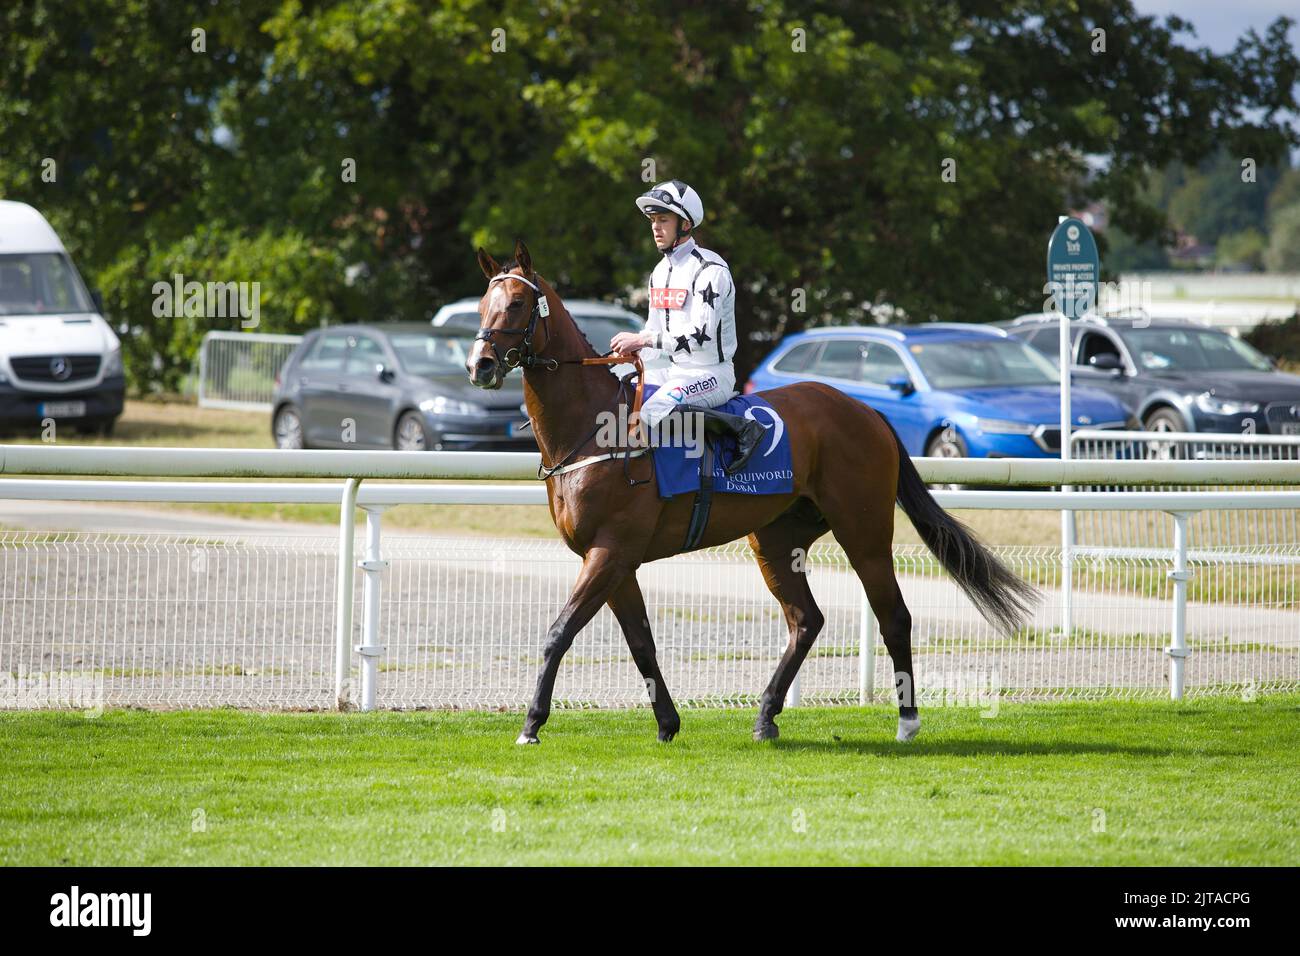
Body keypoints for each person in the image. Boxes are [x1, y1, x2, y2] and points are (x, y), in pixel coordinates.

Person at [609, 180, 766, 476]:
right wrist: (625, 361)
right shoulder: (659, 272)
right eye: (653, 220)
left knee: (654, 410)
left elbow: (699, 338)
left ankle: (743, 428)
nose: (655, 227)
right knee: (614, 389)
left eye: (663, 220)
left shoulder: (711, 270)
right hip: (675, 370)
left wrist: (642, 340)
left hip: (712, 374)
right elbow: (652, 335)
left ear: (685, 223)